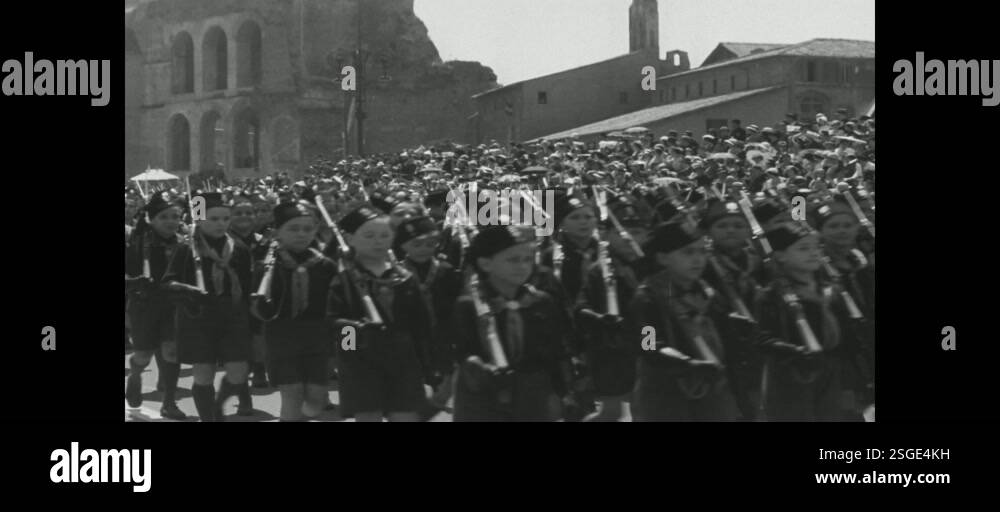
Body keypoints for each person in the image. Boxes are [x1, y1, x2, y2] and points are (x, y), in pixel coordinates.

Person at [450, 224, 574, 421]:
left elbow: (555, 348)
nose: (523, 266)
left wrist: (562, 390)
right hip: (484, 395)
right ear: (485, 264)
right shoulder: (470, 305)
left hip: (532, 391)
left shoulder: (541, 301)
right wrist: (478, 365)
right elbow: (462, 349)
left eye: (527, 259)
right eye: (513, 260)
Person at [624, 220, 744, 421]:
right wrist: (687, 363)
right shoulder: (648, 297)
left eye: (701, 252)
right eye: (687, 253)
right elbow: (648, 344)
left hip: (713, 389)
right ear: (663, 258)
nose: (698, 260)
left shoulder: (707, 290)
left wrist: (733, 322)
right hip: (665, 394)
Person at [326, 206, 433, 422]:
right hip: (361, 363)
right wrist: (355, 332)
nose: (378, 241)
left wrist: (429, 366)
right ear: (350, 239)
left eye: (385, 235)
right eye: (369, 235)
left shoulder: (405, 277)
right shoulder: (344, 279)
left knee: (405, 415)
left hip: (403, 360)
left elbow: (422, 325)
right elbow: (335, 322)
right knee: (368, 416)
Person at [754, 222, 864, 421]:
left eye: (816, 248)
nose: (814, 253)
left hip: (834, 373)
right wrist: (794, 351)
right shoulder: (771, 296)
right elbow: (763, 339)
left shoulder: (832, 291)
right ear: (780, 256)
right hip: (791, 376)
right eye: (803, 248)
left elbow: (848, 339)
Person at [163, 192, 254, 422]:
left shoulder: (239, 248)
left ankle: (218, 405)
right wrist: (186, 290)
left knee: (238, 372)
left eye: (225, 218)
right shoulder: (187, 249)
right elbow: (168, 282)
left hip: (232, 316)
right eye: (213, 219)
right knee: (203, 374)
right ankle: (208, 418)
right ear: (201, 220)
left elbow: (246, 286)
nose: (221, 224)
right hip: (198, 317)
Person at [251, 200, 338, 421]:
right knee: (292, 395)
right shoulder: (269, 264)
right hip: (282, 337)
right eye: (293, 228)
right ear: (277, 231)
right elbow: (255, 306)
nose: (301, 234)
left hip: (318, 338)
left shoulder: (326, 265)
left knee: (315, 401)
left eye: (307, 229)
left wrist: (348, 343)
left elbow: (341, 306)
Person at [575, 195, 654, 421]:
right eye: (620, 233)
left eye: (637, 233)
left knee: (646, 403)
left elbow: (661, 311)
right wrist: (599, 319)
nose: (629, 239)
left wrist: (651, 347)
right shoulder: (598, 270)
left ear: (648, 236)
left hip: (647, 337)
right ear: (606, 236)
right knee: (612, 410)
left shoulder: (654, 269)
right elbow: (581, 307)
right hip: (611, 347)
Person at [125, 193, 187, 420]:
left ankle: (169, 402)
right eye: (164, 217)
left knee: (171, 352)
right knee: (143, 355)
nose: (171, 221)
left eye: (175, 216)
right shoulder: (136, 242)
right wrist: (133, 281)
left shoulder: (183, 243)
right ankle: (135, 374)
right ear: (152, 219)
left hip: (172, 305)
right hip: (143, 305)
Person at [395, 215, 463, 418]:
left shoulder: (447, 270)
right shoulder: (395, 274)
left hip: (442, 336)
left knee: (444, 384)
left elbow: (457, 303)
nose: (424, 248)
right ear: (403, 246)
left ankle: (429, 410)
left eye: (431, 243)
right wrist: (350, 347)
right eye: (417, 244)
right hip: (408, 339)